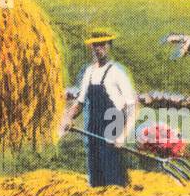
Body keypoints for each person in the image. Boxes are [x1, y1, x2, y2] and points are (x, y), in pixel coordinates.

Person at [56, 27, 137, 186]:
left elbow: (132, 108)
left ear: (109, 45)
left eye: (103, 44)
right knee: (96, 180)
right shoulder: (88, 72)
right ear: (91, 47)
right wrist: (67, 118)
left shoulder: (117, 72)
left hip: (112, 133)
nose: (99, 49)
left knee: (114, 181)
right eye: (96, 45)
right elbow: (79, 103)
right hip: (93, 133)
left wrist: (123, 135)